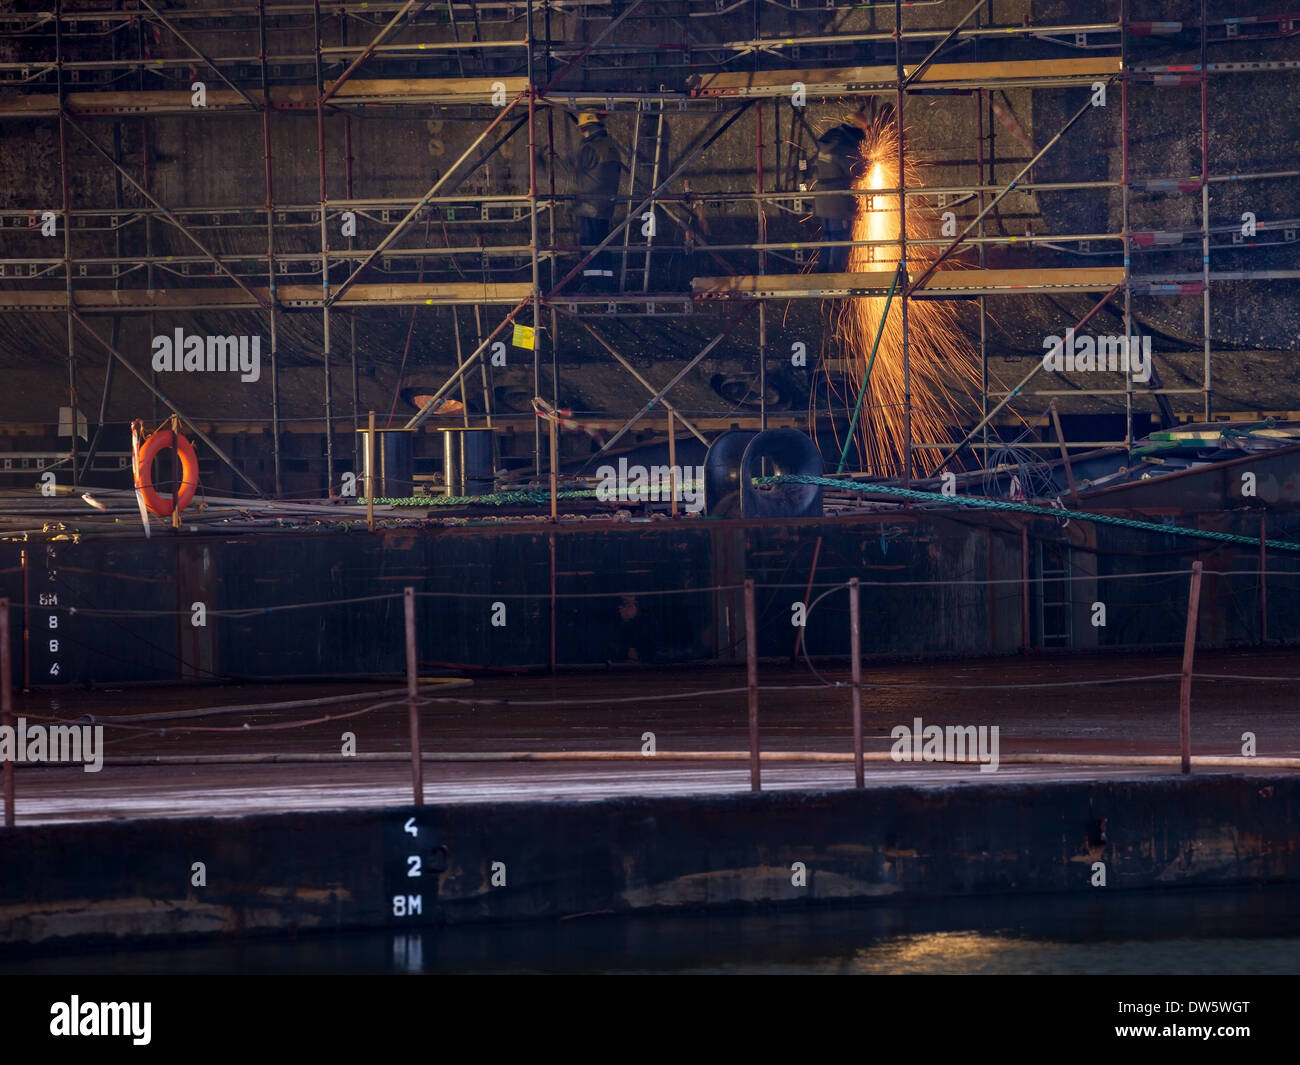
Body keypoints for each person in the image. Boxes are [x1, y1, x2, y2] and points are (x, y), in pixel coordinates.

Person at [812, 110, 870, 273]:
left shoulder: (829, 138)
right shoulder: (847, 143)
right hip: (838, 200)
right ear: (859, 129)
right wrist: (867, 165)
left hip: (822, 197)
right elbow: (856, 170)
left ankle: (823, 274)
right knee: (840, 238)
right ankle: (835, 277)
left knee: (829, 236)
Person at [572, 112, 624, 292]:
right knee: (602, 243)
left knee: (588, 243)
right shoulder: (610, 146)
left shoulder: (588, 148)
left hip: (588, 204)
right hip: (605, 205)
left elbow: (576, 176)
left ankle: (591, 283)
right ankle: (606, 281)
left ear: (584, 128)